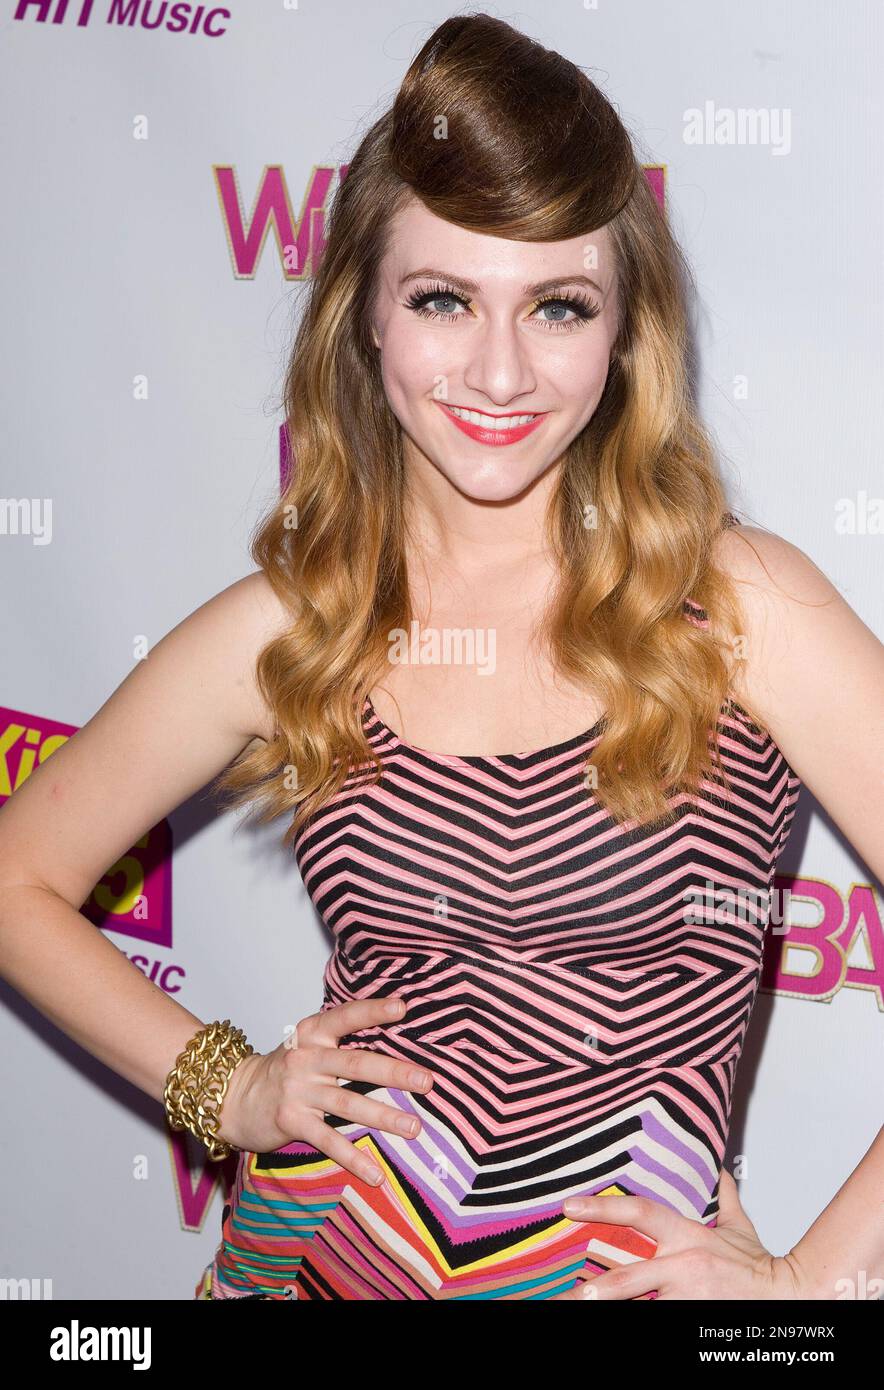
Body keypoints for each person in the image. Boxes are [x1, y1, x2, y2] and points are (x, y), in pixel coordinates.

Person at [1, 13, 882, 1303]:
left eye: (559, 306)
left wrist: (810, 1290)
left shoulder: (738, 607)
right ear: (363, 315)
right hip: (307, 1265)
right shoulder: (298, 627)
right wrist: (230, 1086)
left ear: (625, 331)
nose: (500, 368)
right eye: (444, 298)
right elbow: (19, 878)